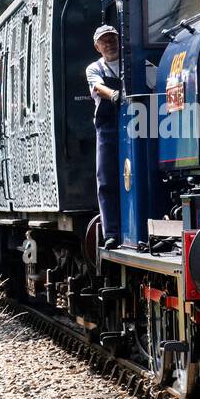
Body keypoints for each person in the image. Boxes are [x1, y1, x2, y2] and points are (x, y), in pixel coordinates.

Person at [86, 24, 122, 247]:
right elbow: (98, 88)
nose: (109, 44)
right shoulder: (94, 68)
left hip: (136, 125)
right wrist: (116, 95)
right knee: (106, 180)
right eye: (104, 41)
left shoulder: (134, 63)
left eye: (112, 39)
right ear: (97, 47)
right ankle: (112, 232)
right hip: (108, 128)